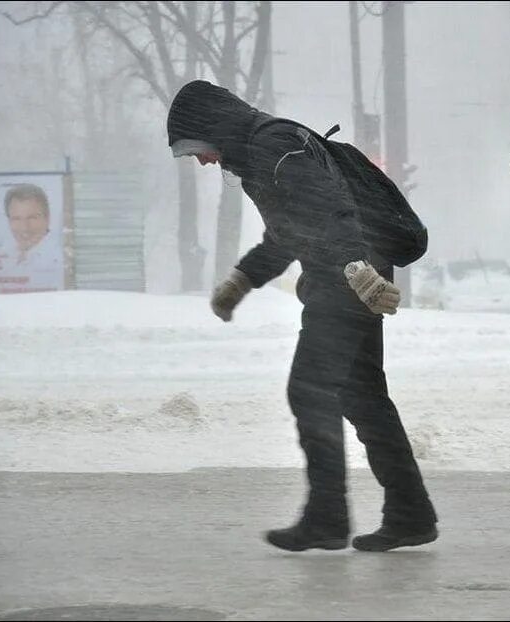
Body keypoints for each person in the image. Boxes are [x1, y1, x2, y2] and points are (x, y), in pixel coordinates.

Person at [167, 80, 437, 551]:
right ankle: (410, 513)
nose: (203, 161)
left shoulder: (271, 146)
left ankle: (329, 517)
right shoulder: (258, 153)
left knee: (310, 391)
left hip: (345, 281)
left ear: (213, 127)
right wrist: (244, 279)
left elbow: (330, 208)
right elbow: (289, 232)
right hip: (348, 275)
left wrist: (355, 268)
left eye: (197, 149)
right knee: (364, 398)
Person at [4, 184, 53, 268]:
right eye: (16, 219)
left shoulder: (55, 258)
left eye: (32, 218)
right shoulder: (8, 254)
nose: (24, 227)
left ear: (47, 218)